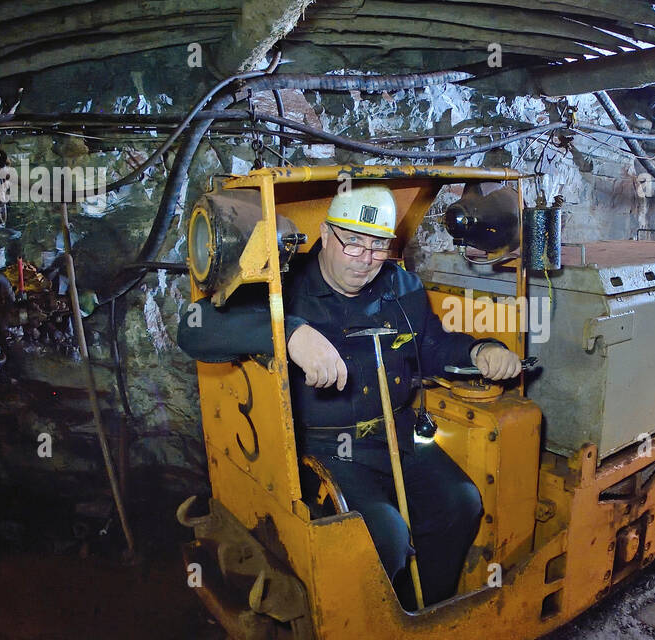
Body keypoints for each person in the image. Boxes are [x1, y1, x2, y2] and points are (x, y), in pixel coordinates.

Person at [177, 185, 523, 608]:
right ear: (325, 233)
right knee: (385, 538)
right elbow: (194, 329)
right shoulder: (282, 283)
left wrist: (479, 349)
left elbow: (430, 346)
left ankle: (424, 614)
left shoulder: (401, 285)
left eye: (378, 246)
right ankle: (361, 637)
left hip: (400, 435)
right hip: (327, 448)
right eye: (353, 242)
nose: (365, 259)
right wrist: (290, 333)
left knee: (461, 504)